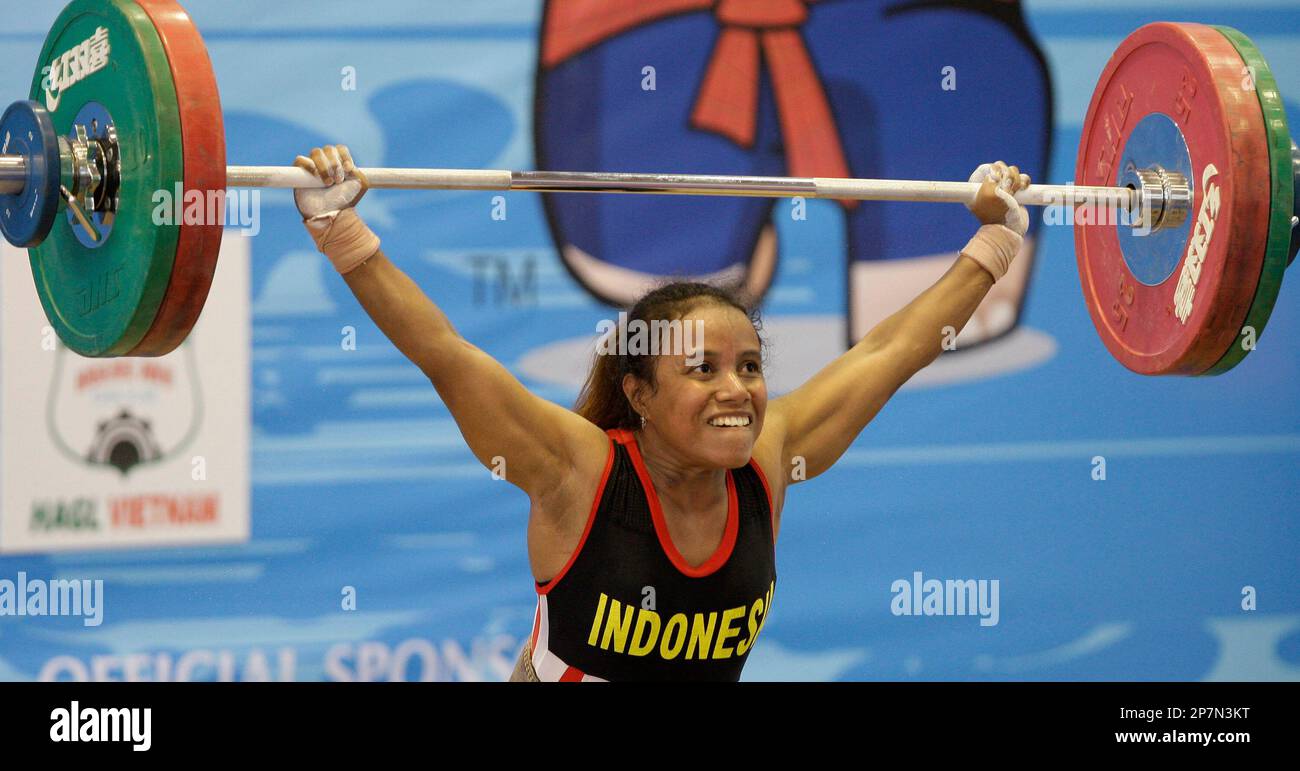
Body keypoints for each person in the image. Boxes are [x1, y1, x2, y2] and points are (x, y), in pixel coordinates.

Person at [292, 146, 1030, 681]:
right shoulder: (577, 472)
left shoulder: (771, 457)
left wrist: (995, 237)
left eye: (748, 367)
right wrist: (340, 230)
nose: (737, 390)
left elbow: (892, 351)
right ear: (639, 393)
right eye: (701, 370)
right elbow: (446, 352)